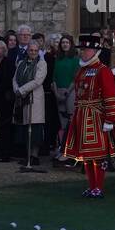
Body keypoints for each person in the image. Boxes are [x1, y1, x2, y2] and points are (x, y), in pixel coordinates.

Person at [63, 33, 115, 198]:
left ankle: (99, 186)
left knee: (98, 155)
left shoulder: (103, 71)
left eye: (87, 50)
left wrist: (110, 119)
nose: (83, 53)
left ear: (95, 51)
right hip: (82, 115)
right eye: (82, 49)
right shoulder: (82, 70)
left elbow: (110, 96)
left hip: (96, 117)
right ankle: (92, 185)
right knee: (87, 155)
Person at [12, 39, 48, 166]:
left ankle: (34, 155)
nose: (33, 52)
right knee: (25, 127)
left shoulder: (41, 64)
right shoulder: (21, 63)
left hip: (34, 98)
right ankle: (27, 155)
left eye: (35, 50)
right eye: (31, 50)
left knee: (35, 128)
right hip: (22, 99)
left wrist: (21, 90)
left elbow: (37, 81)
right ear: (27, 51)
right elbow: (15, 78)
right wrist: (16, 89)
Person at [52, 34, 78, 162]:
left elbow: (75, 77)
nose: (65, 44)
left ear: (71, 44)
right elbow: (54, 77)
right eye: (63, 43)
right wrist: (56, 92)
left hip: (70, 91)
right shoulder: (58, 58)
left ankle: (70, 149)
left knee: (70, 120)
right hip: (59, 91)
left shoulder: (75, 59)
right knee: (62, 122)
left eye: (67, 42)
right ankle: (62, 148)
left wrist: (68, 91)